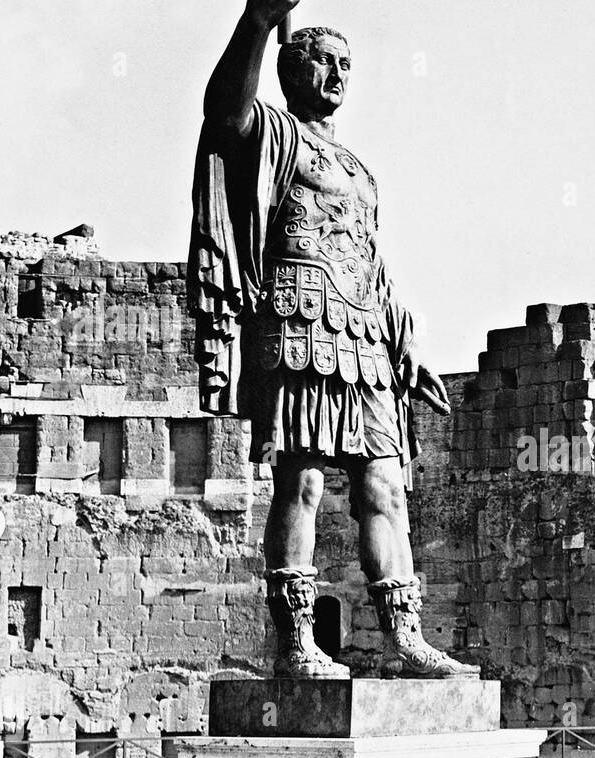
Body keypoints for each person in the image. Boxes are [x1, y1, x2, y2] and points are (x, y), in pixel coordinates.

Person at [190, 0, 472, 678]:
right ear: (292, 70)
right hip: (297, 324)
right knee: (303, 482)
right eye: (324, 60)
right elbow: (223, 109)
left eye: (348, 64)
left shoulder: (361, 171)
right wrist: (258, 20)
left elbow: (372, 265)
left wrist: (408, 349)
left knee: (385, 487)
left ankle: (405, 639)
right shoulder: (274, 134)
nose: (339, 72)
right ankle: (294, 643)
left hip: (365, 336)